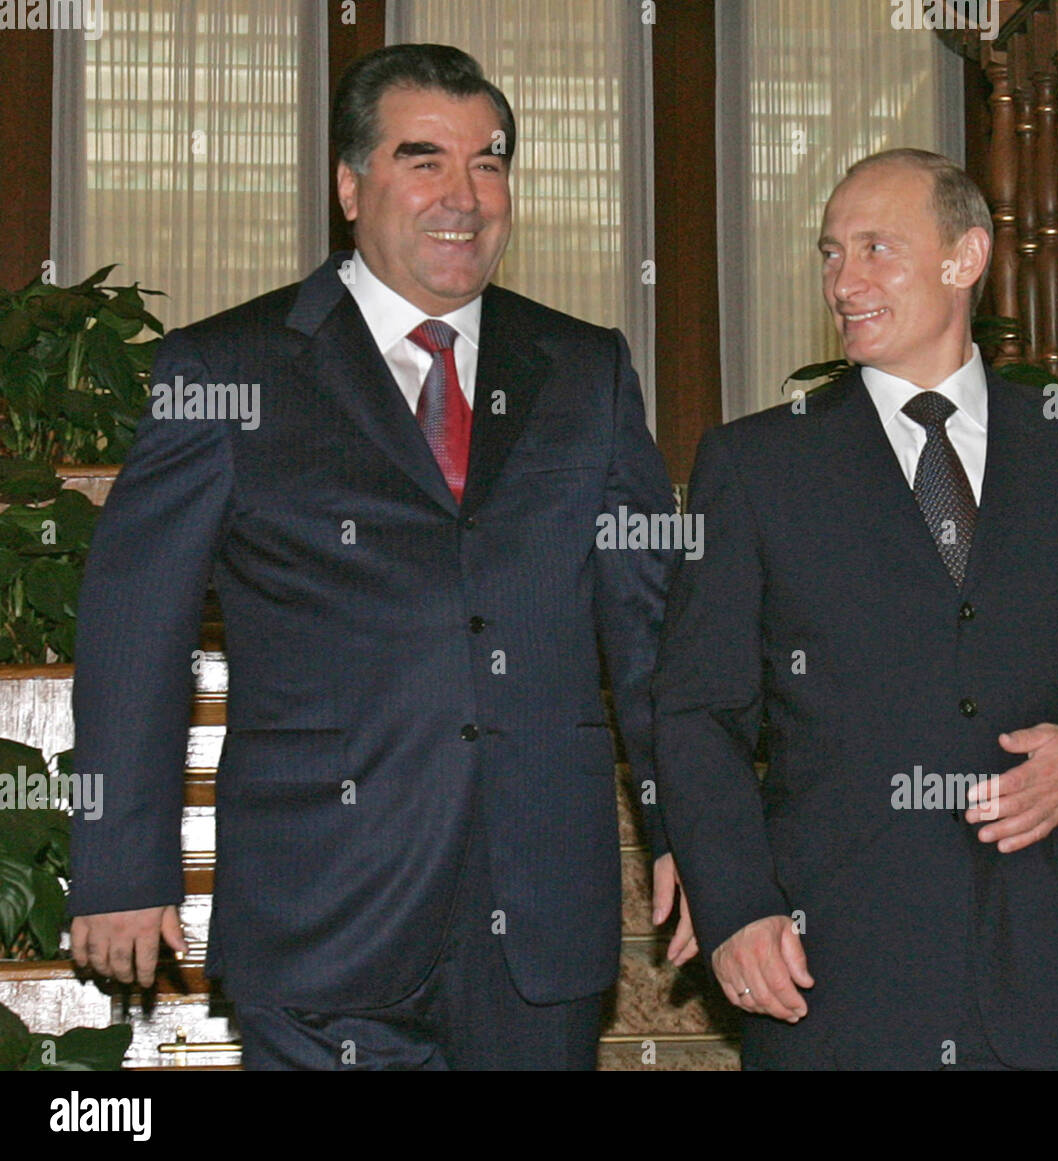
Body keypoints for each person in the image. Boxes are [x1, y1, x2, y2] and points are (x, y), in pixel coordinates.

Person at [67, 43, 694, 1071]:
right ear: (352, 186)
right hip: (323, 911)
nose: (463, 195)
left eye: (488, 163)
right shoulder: (224, 368)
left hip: (538, 915)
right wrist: (121, 867)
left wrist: (692, 836)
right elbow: (136, 627)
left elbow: (650, 632)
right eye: (424, 161)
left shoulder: (589, 370)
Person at [651, 148, 1058, 1070]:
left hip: (1039, 973)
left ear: (966, 258)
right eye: (832, 254)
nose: (845, 280)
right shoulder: (756, 465)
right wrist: (739, 904)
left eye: (877, 248)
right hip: (827, 970)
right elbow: (695, 707)